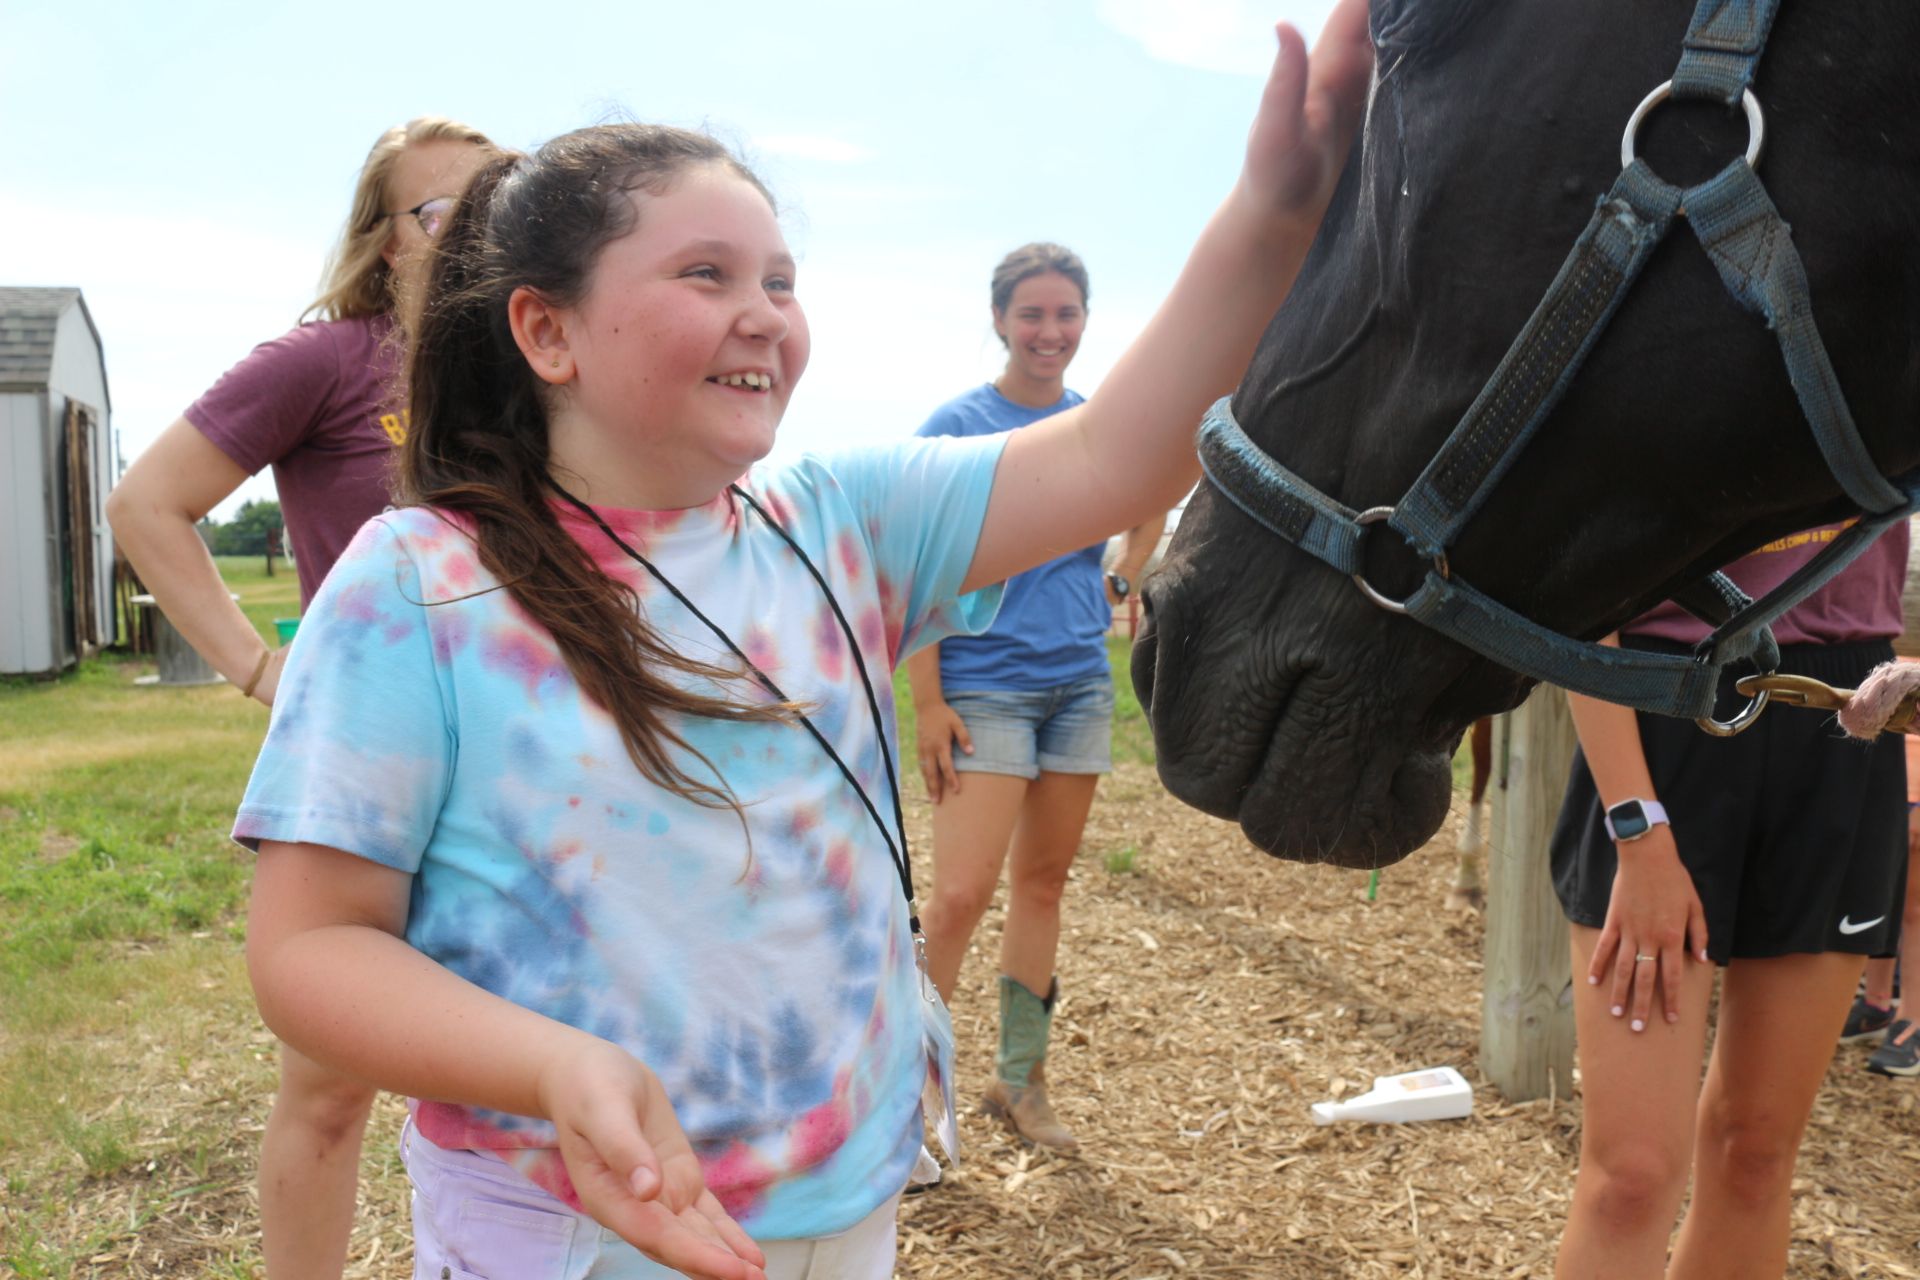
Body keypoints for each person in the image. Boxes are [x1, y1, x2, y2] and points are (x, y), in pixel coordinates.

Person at [237, 8, 1374, 1278]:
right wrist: (553, 1063)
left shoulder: (841, 521)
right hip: (571, 1225)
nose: (766, 314)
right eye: (706, 276)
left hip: (849, 1202)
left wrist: (1279, 214)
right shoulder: (422, 584)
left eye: (780, 279)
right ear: (545, 331)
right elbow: (308, 949)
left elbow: (1122, 453)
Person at [105, 116, 498, 1280]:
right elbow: (145, 505)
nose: (476, 231)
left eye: (500, 204)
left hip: (515, 755)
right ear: (385, 243)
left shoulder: (539, 359)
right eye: (444, 212)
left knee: (528, 1061)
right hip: (367, 765)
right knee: (331, 1091)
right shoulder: (327, 359)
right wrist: (266, 670)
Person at [1548, 519, 1912, 1280]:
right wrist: (1635, 826)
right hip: (1661, 725)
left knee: (1756, 1155)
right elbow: (1575, 587)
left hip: (1846, 724)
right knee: (1632, 1179)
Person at [908, 243, 1163, 1155]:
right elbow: (916, 567)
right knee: (960, 897)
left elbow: (1154, 495)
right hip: (984, 691)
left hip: (1077, 685)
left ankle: (1019, 1083)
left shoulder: (1095, 423)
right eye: (1032, 315)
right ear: (1000, 321)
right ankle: (907, 1099)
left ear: (1085, 320)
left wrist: (1128, 571)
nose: (1049, 332)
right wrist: (927, 701)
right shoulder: (958, 425)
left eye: (1066, 314)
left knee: (1042, 887)